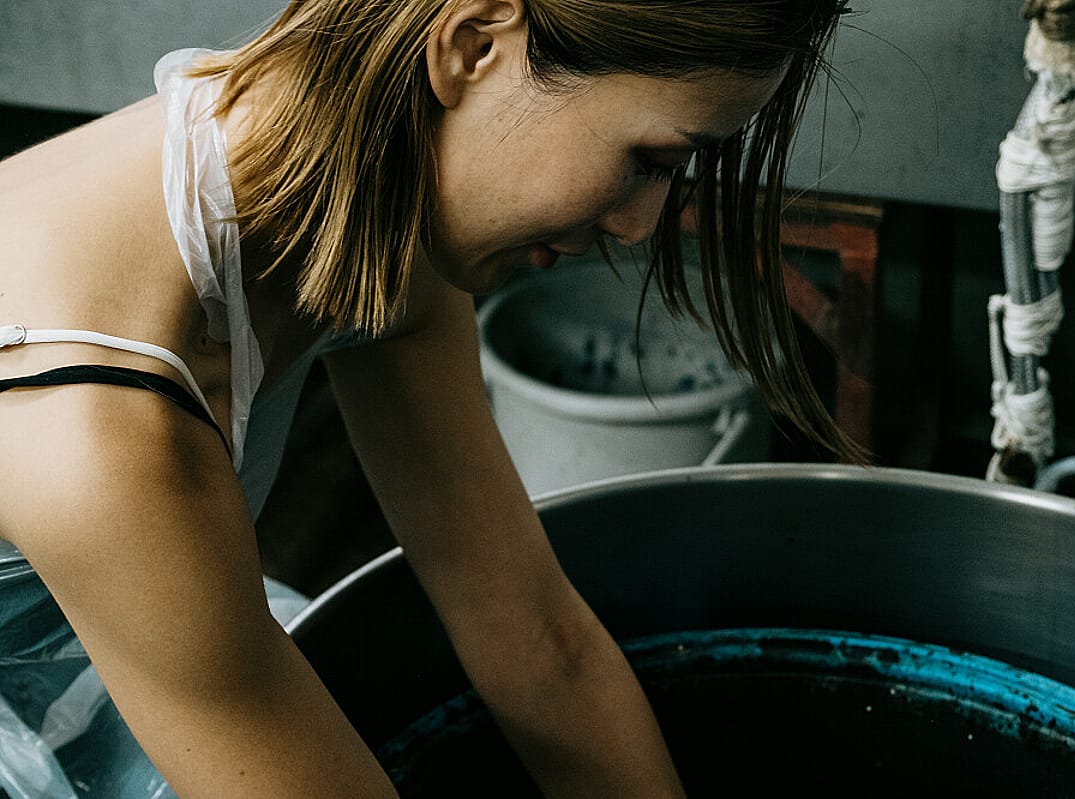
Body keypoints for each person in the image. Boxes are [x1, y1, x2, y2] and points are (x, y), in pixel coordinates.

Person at [0, 0, 855, 795]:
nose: (640, 224)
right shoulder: (103, 425)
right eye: (650, 161)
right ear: (472, 46)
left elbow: (536, 638)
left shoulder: (363, 202)